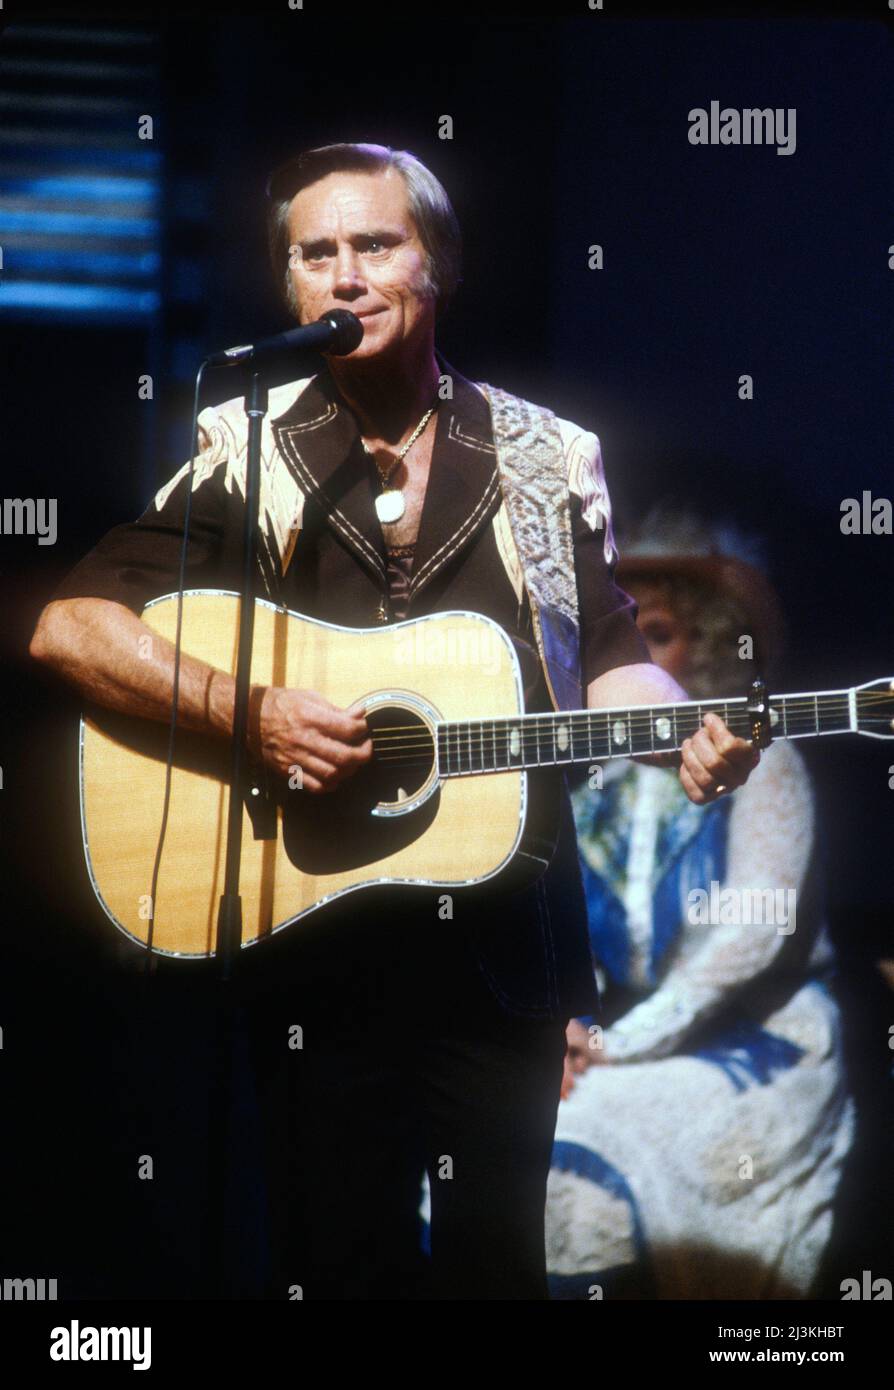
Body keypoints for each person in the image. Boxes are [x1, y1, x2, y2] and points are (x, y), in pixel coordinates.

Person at [29, 144, 758, 1300]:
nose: (346, 277)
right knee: (333, 1264)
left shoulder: (544, 455)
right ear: (288, 288)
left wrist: (684, 729)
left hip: (505, 941)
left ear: (442, 263)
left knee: (492, 1273)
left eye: (376, 245)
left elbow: (613, 657)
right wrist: (251, 713)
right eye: (316, 254)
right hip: (315, 935)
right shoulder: (247, 448)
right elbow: (68, 627)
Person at [546, 510, 855, 1299]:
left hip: (756, 1043)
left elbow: (745, 941)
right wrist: (565, 1034)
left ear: (711, 643)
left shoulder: (765, 764)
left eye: (653, 635)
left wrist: (613, 1047)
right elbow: (552, 930)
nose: (630, 660)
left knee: (582, 1154)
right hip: (616, 1040)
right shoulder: (594, 785)